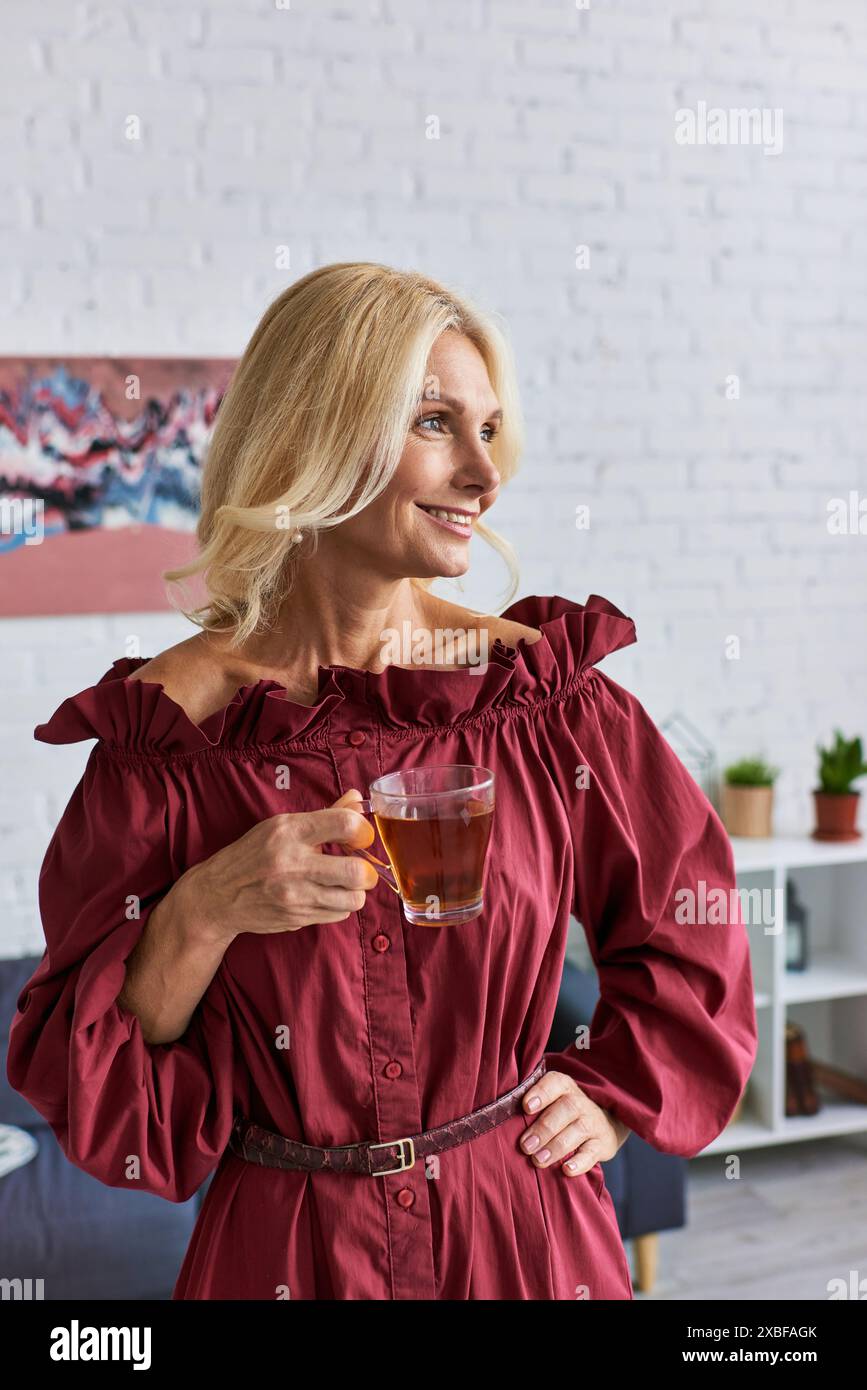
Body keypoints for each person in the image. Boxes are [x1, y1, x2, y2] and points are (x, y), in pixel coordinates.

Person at [7, 262, 758, 1300]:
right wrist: (208, 906)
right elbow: (106, 1089)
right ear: (319, 432)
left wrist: (619, 1095)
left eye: (489, 431)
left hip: (523, 1239)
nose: (484, 477)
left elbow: (691, 920)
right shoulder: (167, 745)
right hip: (283, 1256)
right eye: (438, 423)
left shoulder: (543, 702)